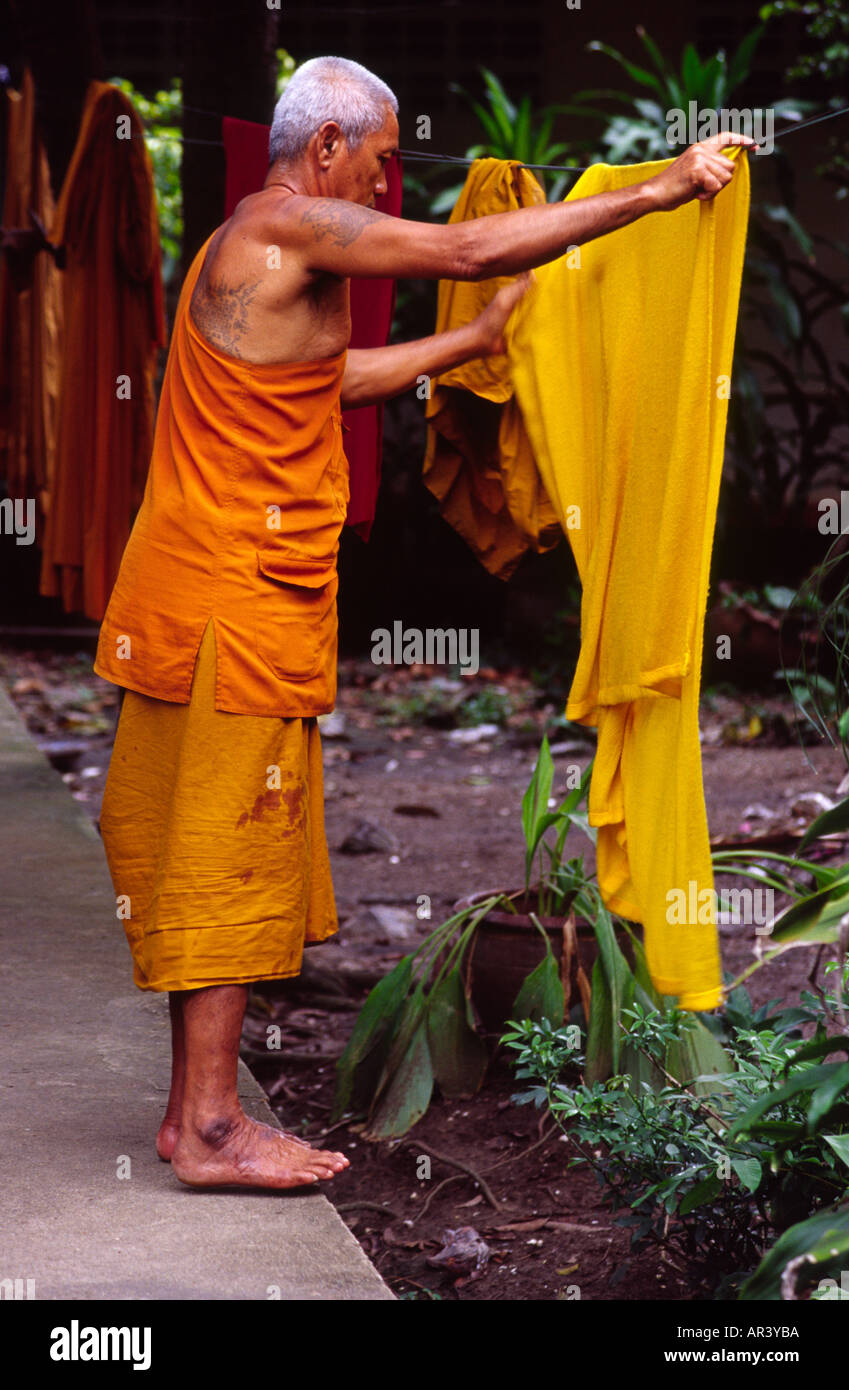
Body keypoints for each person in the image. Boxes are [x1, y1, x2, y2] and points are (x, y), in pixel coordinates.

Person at [94, 55, 756, 1191]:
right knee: (224, 860)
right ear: (330, 147)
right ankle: (211, 1130)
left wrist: (472, 341)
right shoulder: (295, 229)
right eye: (386, 158)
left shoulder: (240, 245)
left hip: (192, 601)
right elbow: (462, 247)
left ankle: (185, 1114)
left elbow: (325, 378)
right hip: (233, 612)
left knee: (203, 854)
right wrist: (660, 188)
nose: (393, 180)